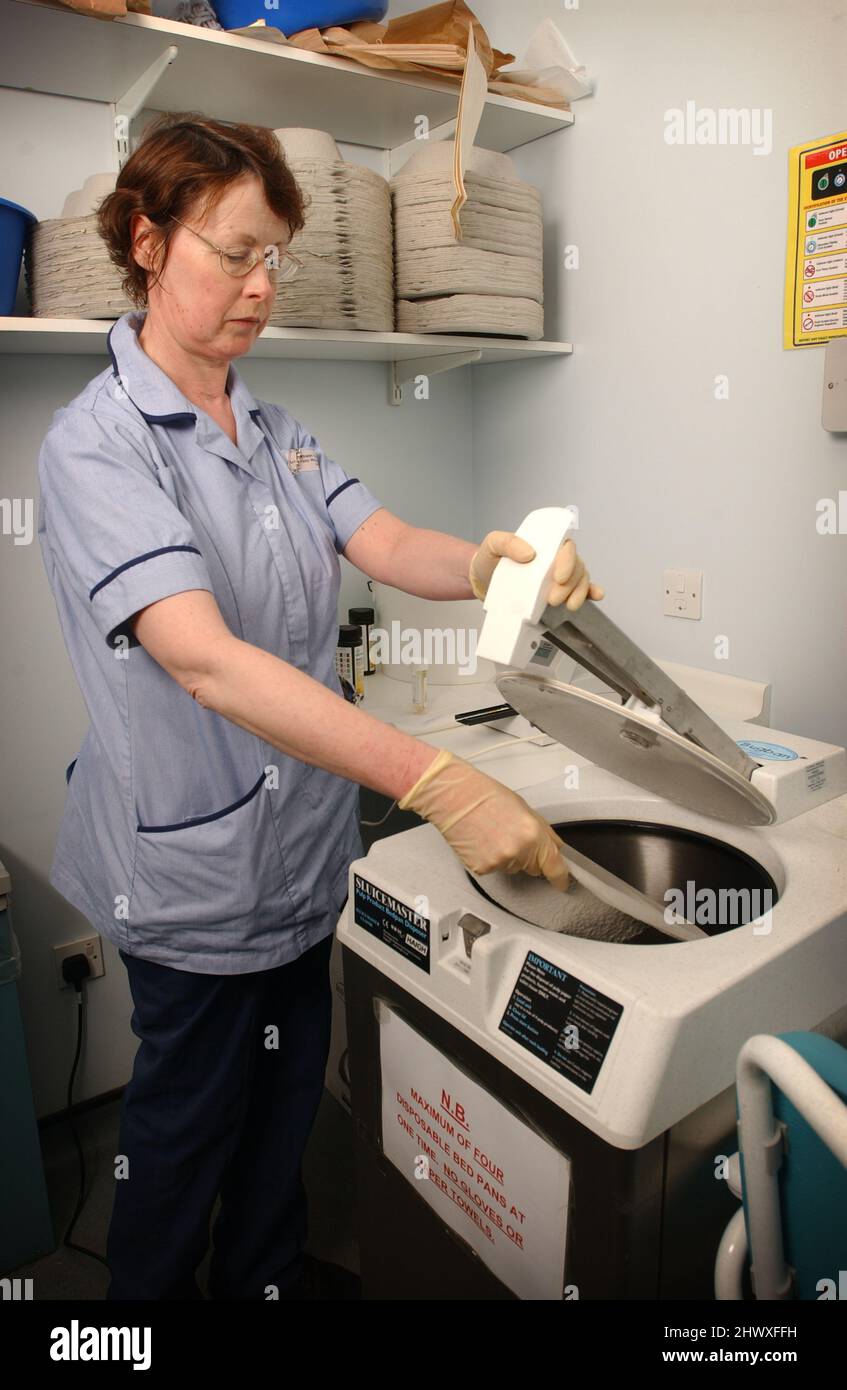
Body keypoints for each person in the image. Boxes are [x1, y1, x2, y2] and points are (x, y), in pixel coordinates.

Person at [36, 113, 604, 1302]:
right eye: (234, 253)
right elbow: (206, 663)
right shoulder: (97, 446)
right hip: (189, 879)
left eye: (274, 257)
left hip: (300, 862)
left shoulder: (280, 434)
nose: (261, 285)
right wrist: (437, 781)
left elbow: (384, 537)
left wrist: (493, 563)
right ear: (147, 242)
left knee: (282, 1126)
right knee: (180, 1145)